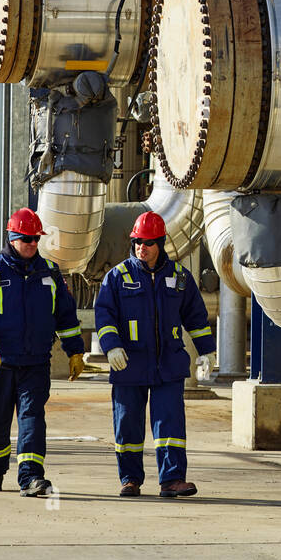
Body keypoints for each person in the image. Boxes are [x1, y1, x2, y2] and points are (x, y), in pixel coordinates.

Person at [0, 208, 85, 496]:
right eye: (26, 238)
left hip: (35, 364)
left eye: (35, 239)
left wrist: (75, 352)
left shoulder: (50, 273)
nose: (32, 243)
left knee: (32, 419)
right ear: (12, 238)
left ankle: (31, 477)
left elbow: (66, 317)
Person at [94, 210, 216, 498]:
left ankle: (172, 480)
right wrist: (111, 346)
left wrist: (207, 352)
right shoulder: (117, 277)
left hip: (168, 365)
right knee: (127, 425)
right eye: (137, 241)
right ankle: (130, 479)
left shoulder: (180, 278)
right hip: (129, 365)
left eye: (148, 242)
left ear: (161, 243)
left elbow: (196, 317)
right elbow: (104, 314)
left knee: (170, 424)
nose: (141, 247)